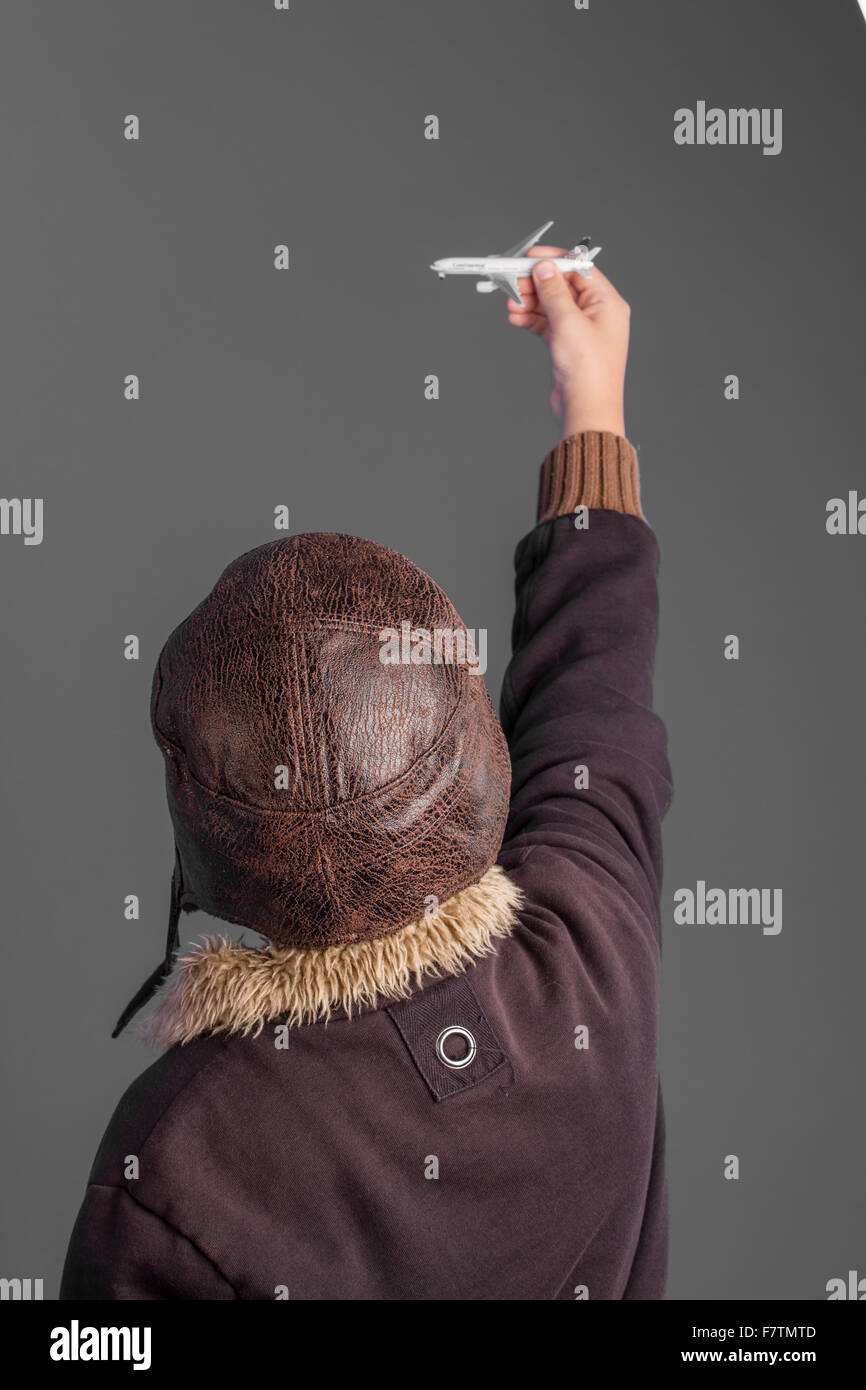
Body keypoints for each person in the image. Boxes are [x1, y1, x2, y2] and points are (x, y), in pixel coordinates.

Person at [60, 247, 672, 1300]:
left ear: (205, 844)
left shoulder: (184, 1162)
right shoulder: (589, 951)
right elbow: (593, 682)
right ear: (474, 748)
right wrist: (592, 395)